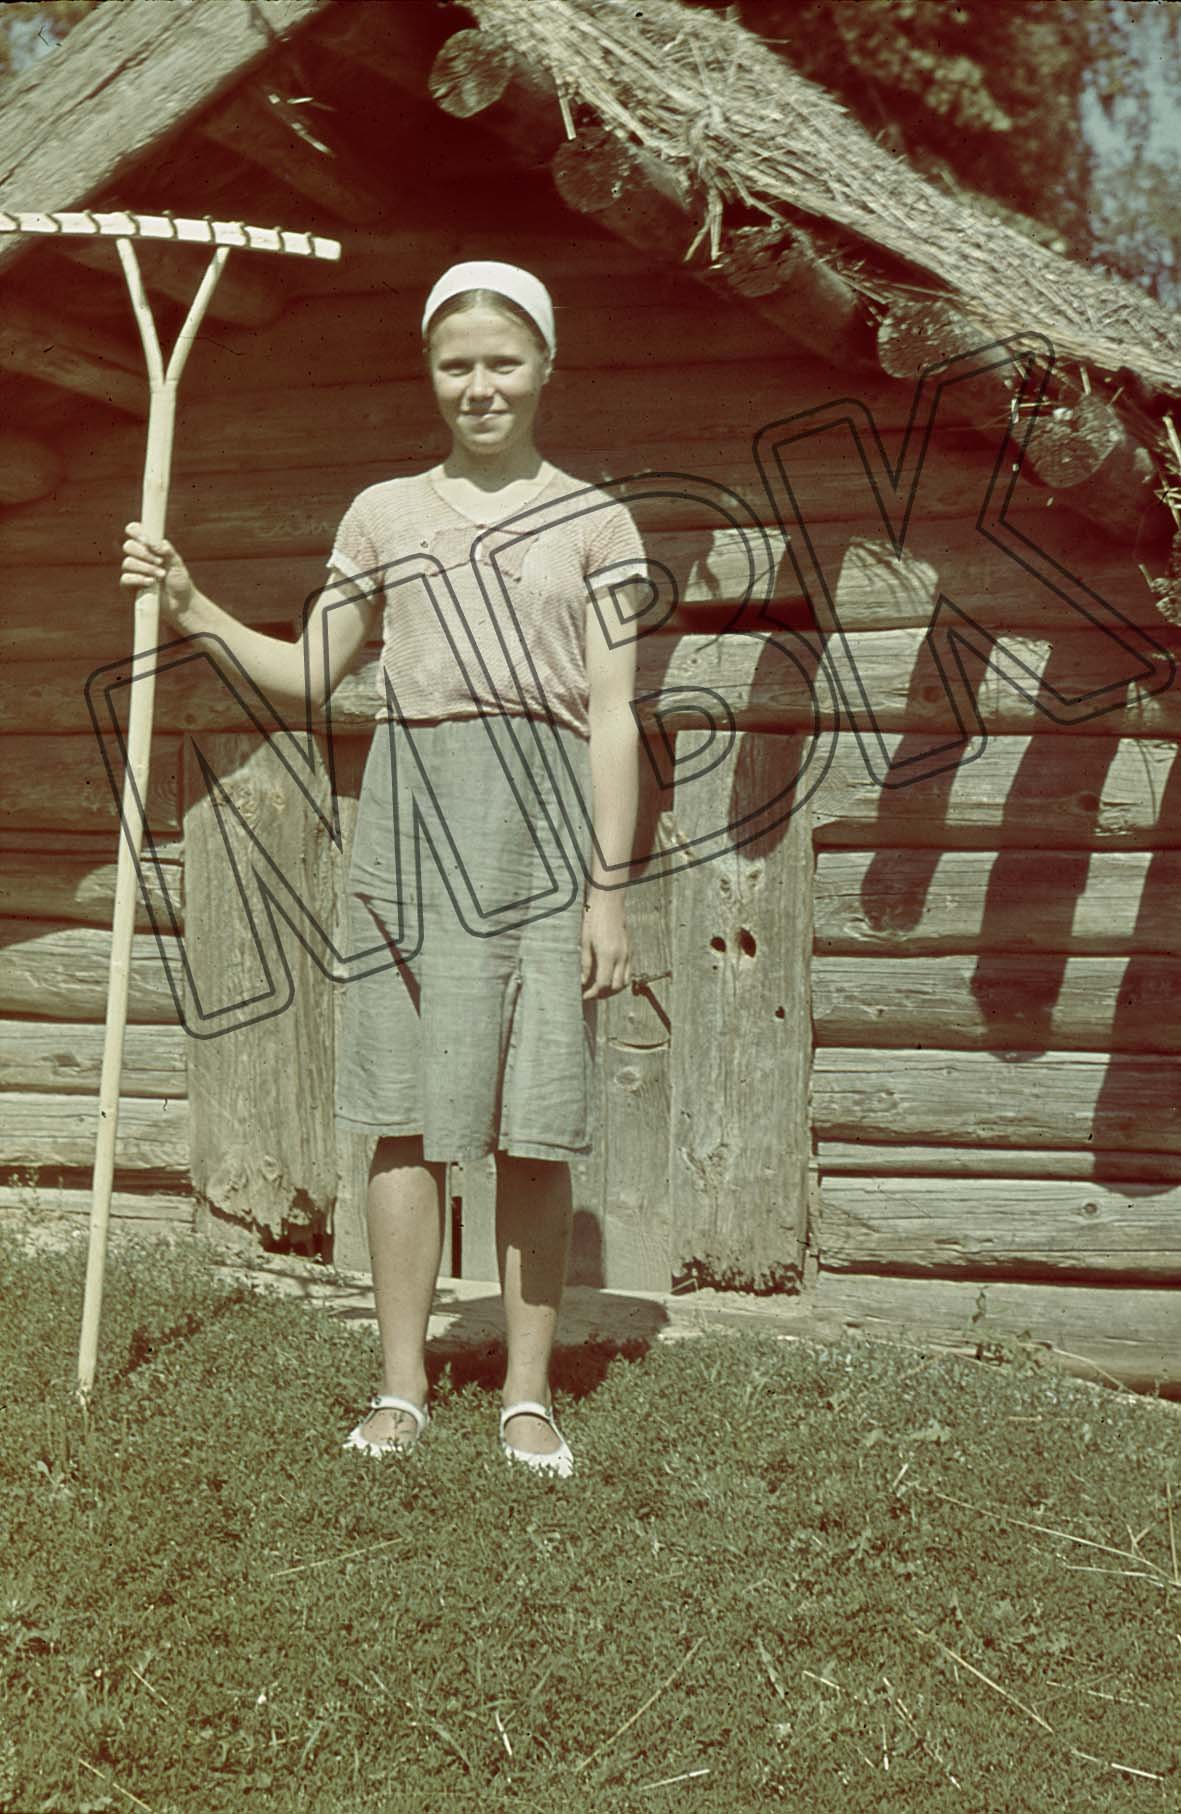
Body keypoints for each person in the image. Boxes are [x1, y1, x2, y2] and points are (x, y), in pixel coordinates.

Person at [121, 261, 646, 1477]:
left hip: (543, 834)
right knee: (398, 1116)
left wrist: (609, 891)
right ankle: (401, 1386)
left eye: (502, 360)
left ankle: (525, 1394)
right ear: (430, 373)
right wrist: (195, 605)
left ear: (545, 368)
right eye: (455, 362)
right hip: (410, 827)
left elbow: (613, 716)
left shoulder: (596, 523)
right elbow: (315, 672)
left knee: (534, 1118)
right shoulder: (385, 515)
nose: (479, 385)